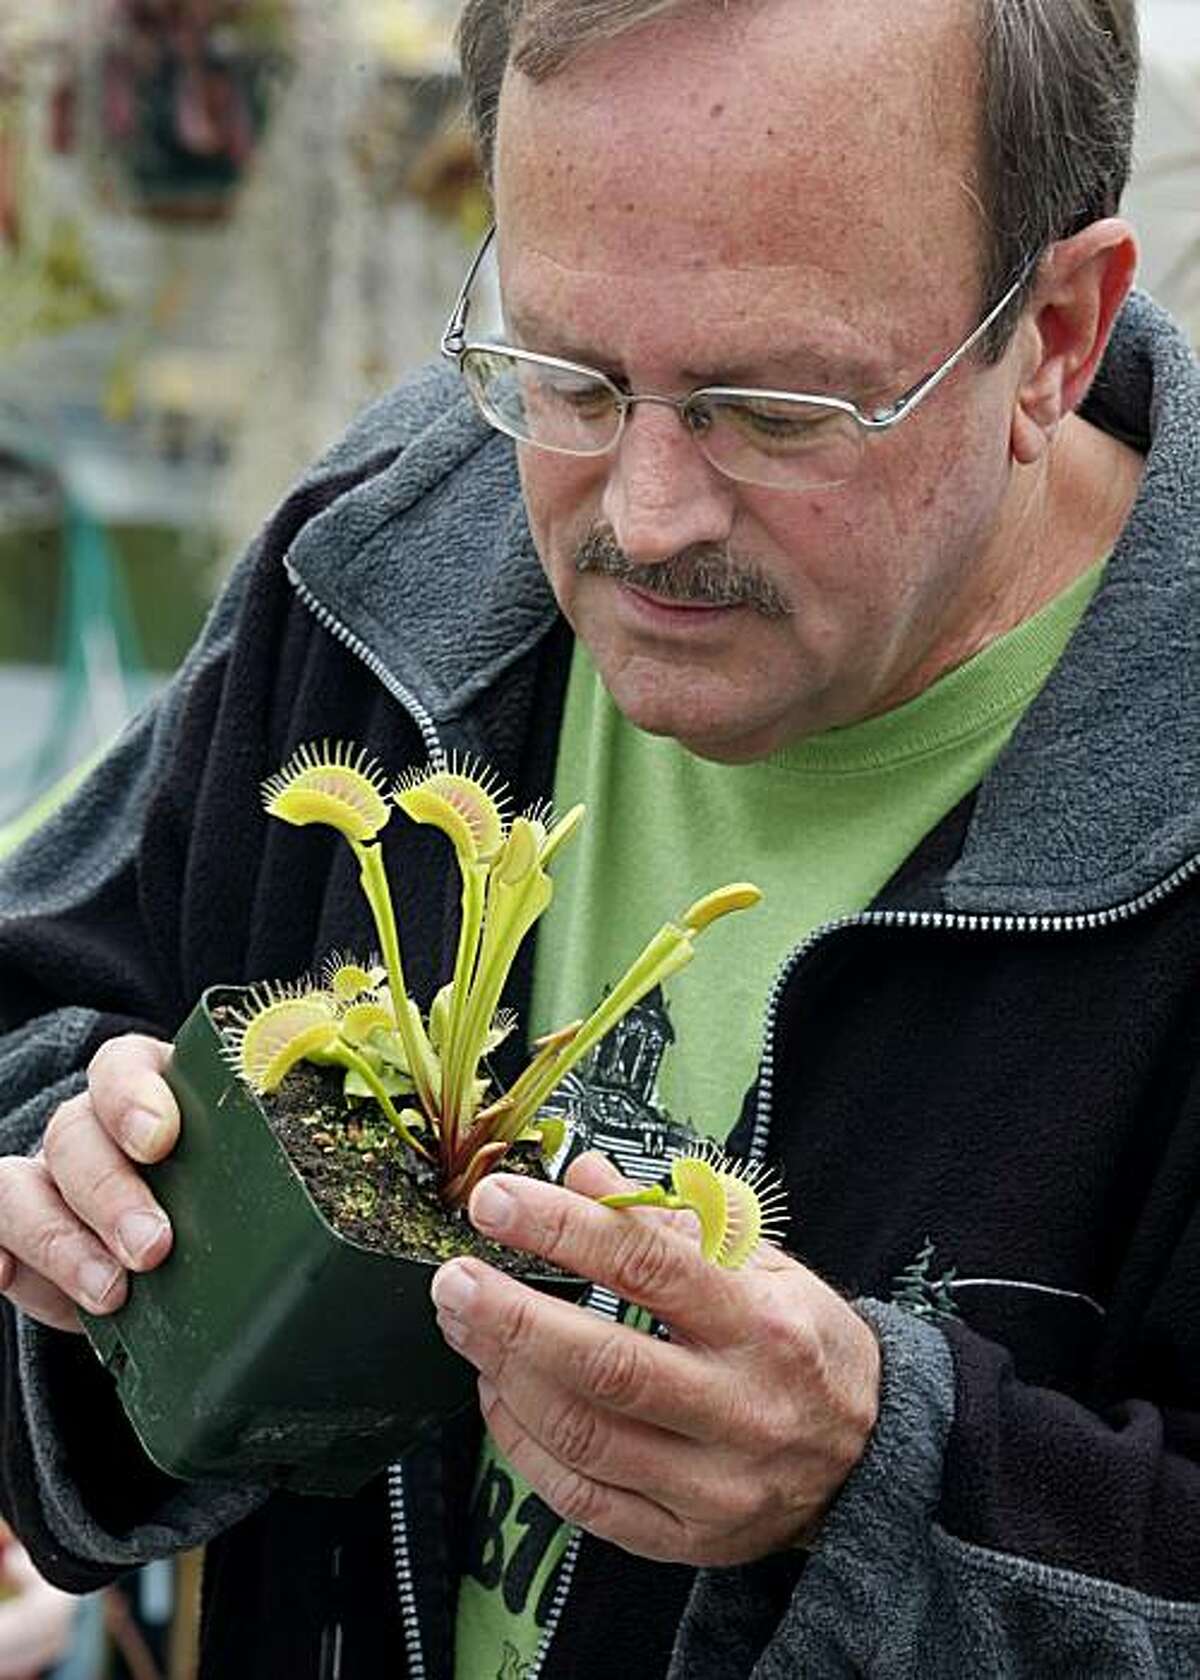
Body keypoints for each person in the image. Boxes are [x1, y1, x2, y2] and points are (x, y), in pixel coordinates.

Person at [0, 0, 1197, 1674]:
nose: (642, 516)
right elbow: (37, 1014)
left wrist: (882, 1484)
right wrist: (82, 1209)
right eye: (562, 371)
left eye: (771, 406)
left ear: (1057, 335)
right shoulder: (396, 550)